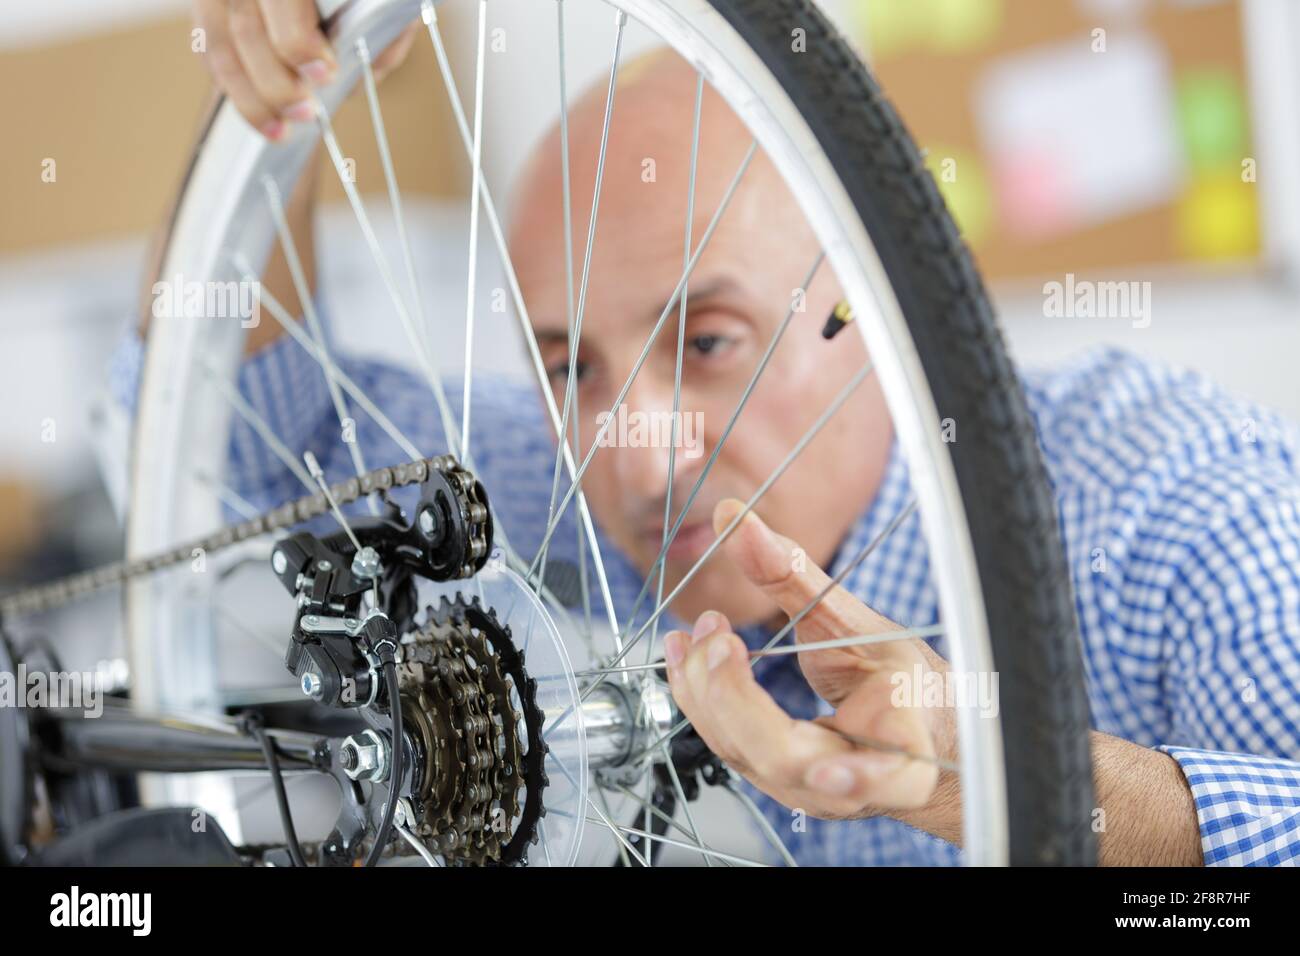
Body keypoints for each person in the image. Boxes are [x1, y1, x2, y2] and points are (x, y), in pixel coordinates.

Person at [115, 1, 1300, 865]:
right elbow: (259, 431)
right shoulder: (606, 479)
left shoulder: (1183, 506)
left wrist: (1000, 774)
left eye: (710, 340)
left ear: (882, 309)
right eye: (570, 366)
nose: (639, 456)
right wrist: (274, 101)